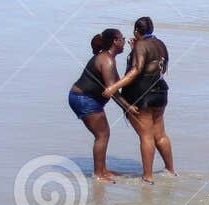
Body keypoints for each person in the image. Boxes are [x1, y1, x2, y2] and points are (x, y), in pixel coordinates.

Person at [102, 17, 174, 183]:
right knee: (160, 135)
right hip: (160, 93)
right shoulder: (159, 43)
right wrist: (135, 50)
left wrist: (114, 87)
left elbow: (136, 70)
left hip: (143, 96)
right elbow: (157, 67)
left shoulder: (141, 45)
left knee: (146, 136)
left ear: (136, 31)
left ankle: (147, 177)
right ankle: (170, 170)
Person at [70, 28, 124, 182]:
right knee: (102, 134)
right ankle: (98, 174)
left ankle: (102, 170)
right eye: (122, 38)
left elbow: (118, 85)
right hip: (83, 98)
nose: (124, 41)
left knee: (103, 134)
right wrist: (128, 108)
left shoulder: (109, 59)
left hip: (82, 97)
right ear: (115, 41)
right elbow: (111, 91)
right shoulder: (106, 60)